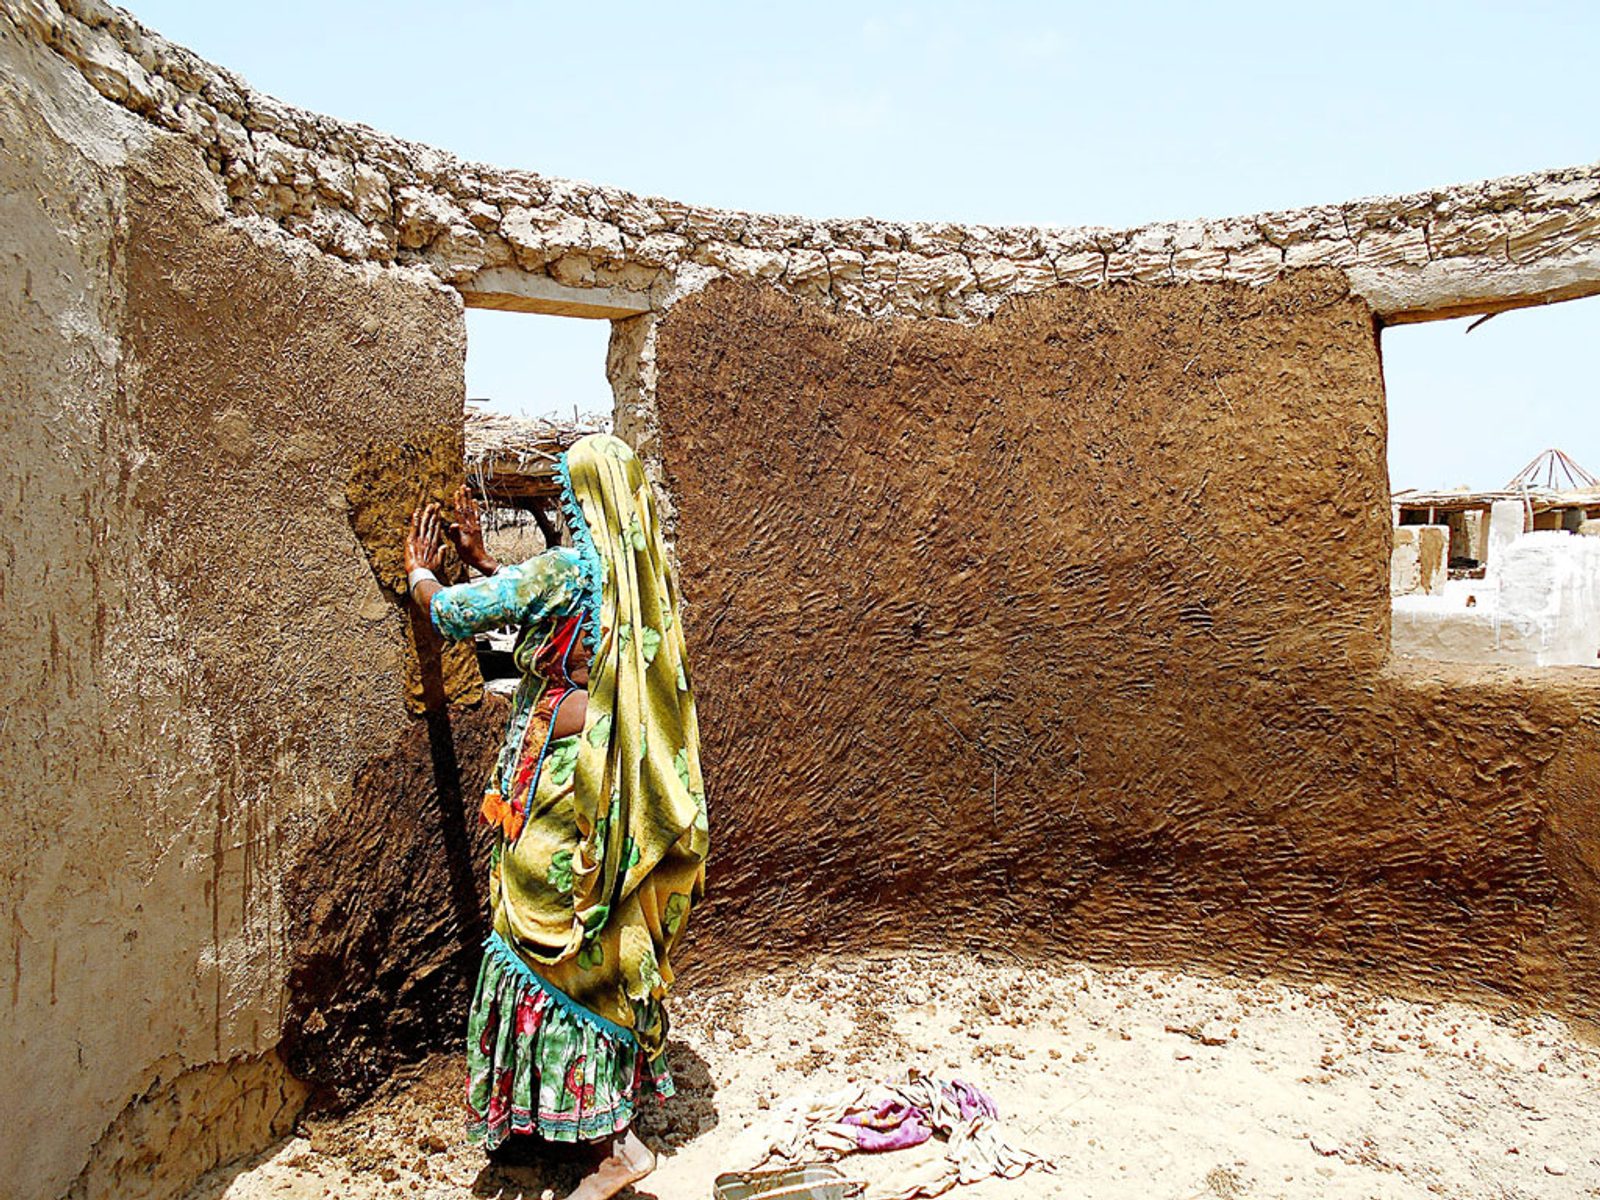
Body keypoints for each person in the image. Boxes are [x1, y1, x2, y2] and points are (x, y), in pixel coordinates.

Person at [403, 434, 709, 1200]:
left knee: (543, 942)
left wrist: (423, 577)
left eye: (569, 495)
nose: (566, 507)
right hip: (617, 798)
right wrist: (486, 561)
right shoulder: (645, 579)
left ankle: (617, 1144)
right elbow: (572, 628)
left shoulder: (570, 571)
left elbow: (458, 617)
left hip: (563, 794)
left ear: (583, 501)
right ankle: (582, 1116)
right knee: (601, 944)